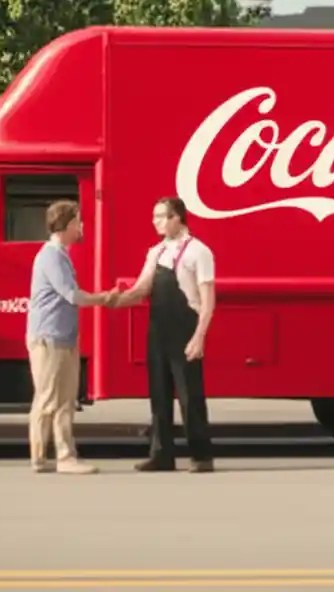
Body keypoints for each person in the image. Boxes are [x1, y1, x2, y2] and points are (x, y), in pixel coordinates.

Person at [110, 196, 216, 473]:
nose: (154, 222)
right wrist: (110, 300)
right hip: (158, 329)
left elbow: (208, 301)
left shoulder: (199, 252)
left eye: (160, 216)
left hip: (185, 327)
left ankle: (201, 455)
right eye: (154, 216)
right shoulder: (155, 252)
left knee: (190, 395)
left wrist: (199, 336)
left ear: (176, 217)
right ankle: (161, 454)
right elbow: (141, 289)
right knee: (158, 393)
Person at [25, 200, 113, 474]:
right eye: (77, 221)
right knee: (48, 398)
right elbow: (72, 295)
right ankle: (41, 457)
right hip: (49, 338)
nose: (81, 227)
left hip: (61, 337)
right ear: (66, 224)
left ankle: (64, 456)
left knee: (64, 400)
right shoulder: (51, 256)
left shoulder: (59, 255)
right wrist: (105, 298)